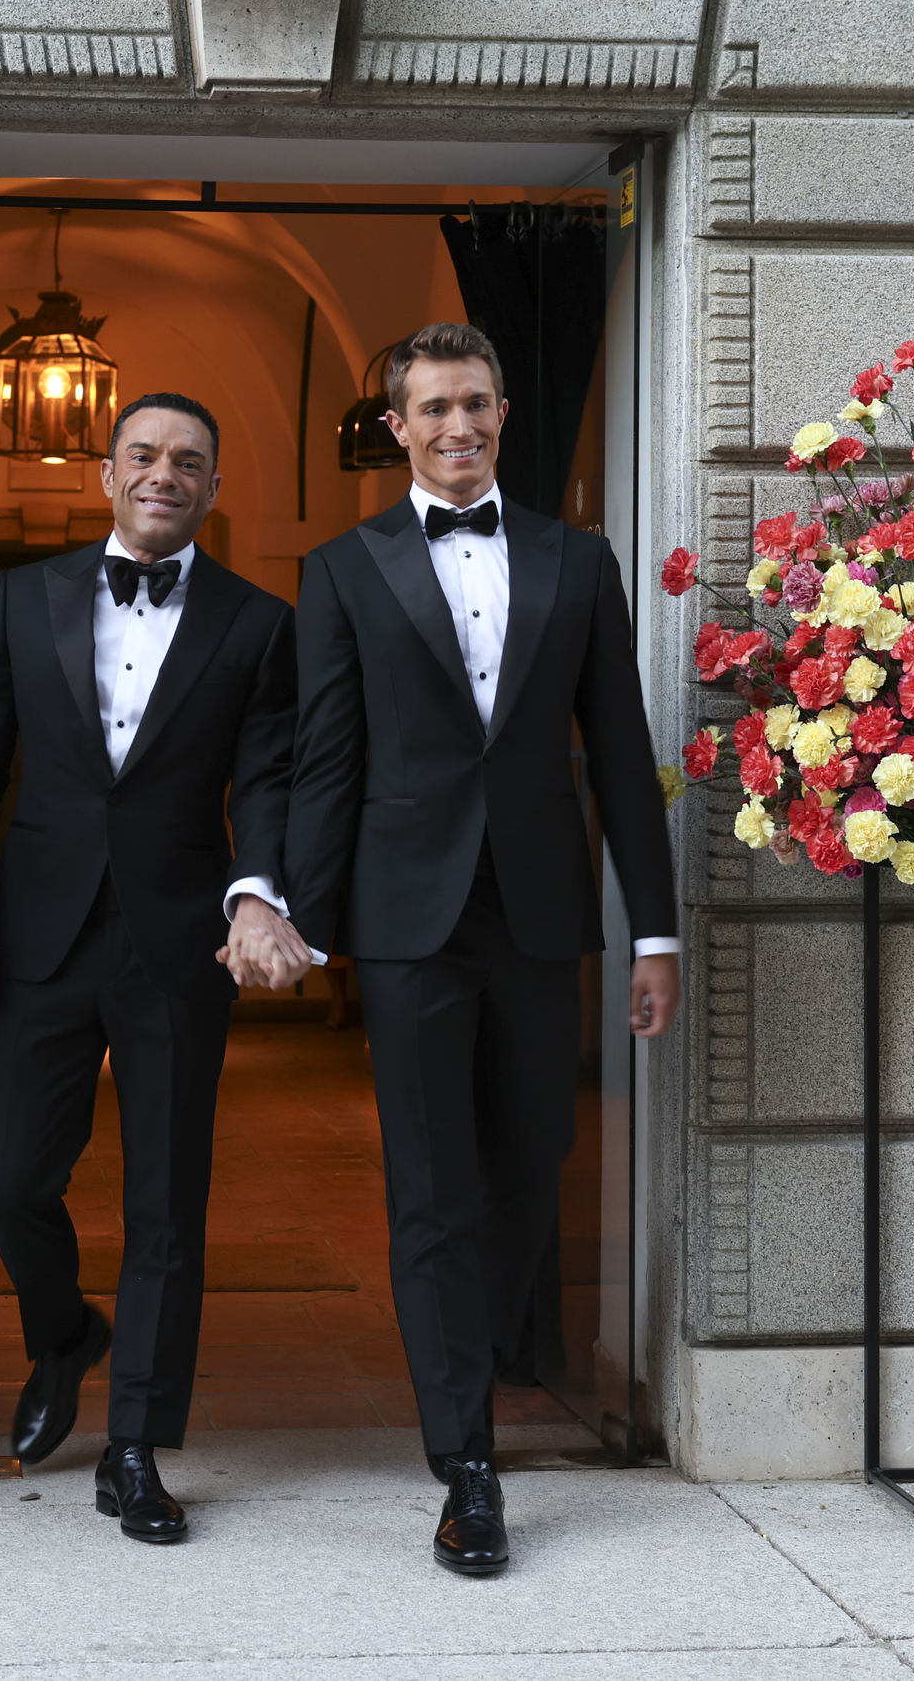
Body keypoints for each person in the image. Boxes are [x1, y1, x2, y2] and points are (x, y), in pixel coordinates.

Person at [277, 322, 681, 1575]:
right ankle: (467, 1462)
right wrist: (298, 911)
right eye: (433, 408)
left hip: (537, 908)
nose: (458, 426)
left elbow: (618, 750)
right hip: (405, 922)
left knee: (535, 1153)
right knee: (430, 1186)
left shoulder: (577, 558)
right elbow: (324, 760)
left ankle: (491, 1347)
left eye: (477, 404)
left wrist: (651, 930)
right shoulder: (344, 569)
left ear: (505, 413)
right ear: (395, 426)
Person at [0, 392, 307, 1543]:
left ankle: (134, 1446)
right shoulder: (25, 599)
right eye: (142, 454)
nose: (162, 474)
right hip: (39, 931)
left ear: (212, 488)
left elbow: (273, 780)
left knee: (166, 1206)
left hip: (179, 940)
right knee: (9, 1179)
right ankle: (63, 1335)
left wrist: (256, 895)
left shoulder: (257, 623)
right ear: (106, 472)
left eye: (188, 461)